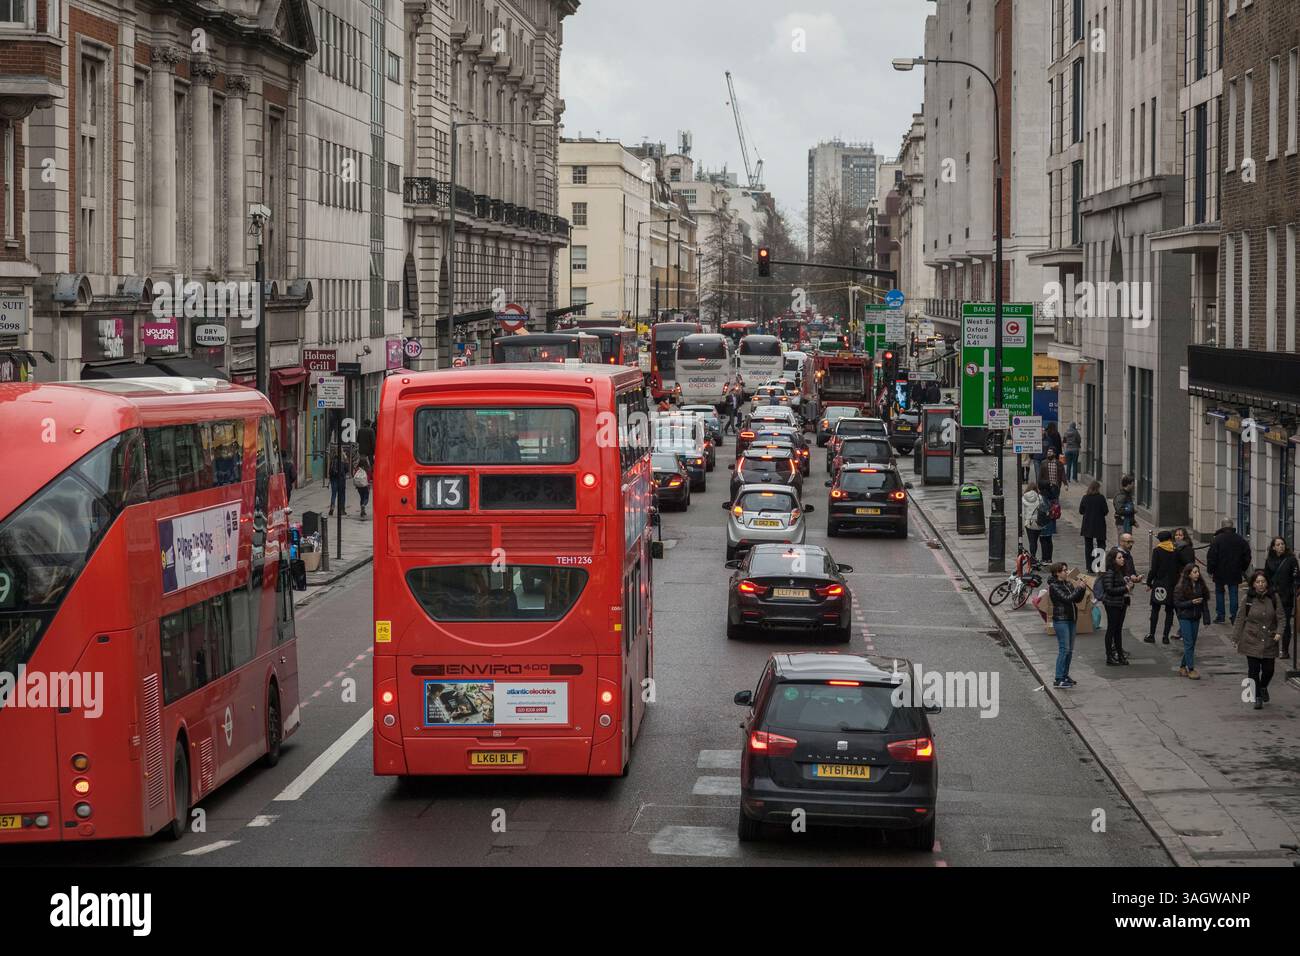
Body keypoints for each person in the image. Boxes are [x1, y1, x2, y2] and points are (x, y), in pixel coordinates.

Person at [1234, 570, 1283, 709]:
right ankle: (1257, 696)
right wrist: (1235, 637)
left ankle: (1263, 687)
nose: (1261, 584)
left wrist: (1279, 632)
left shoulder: (1274, 598)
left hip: (1269, 639)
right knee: (1253, 670)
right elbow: (1240, 618)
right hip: (1251, 639)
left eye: (1263, 582)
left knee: (1269, 670)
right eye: (1258, 582)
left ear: (1267, 583)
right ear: (1253, 584)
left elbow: (1281, 618)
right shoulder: (1248, 599)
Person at [1206, 518, 1251, 624]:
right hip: (1235, 571)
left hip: (1219, 571)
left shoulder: (1217, 540)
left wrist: (1210, 570)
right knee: (1233, 593)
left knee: (1219, 592)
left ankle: (1221, 616)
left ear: (1222, 526)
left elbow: (1211, 556)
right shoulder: (1240, 540)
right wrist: (1242, 568)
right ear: (1232, 526)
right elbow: (1247, 556)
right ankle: (1234, 615)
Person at [1048, 562, 1085, 688]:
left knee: (1069, 650)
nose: (1066, 572)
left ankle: (1065, 675)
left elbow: (1077, 599)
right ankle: (1058, 678)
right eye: (1064, 570)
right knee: (1064, 649)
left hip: (1071, 618)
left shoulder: (1068, 583)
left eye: (1066, 569)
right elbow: (1067, 598)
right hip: (1061, 619)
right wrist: (1079, 588)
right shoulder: (1054, 586)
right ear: (1057, 573)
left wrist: (1082, 589)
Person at [1173, 564, 1210, 679]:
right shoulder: (1181, 587)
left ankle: (1182, 666)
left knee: (1192, 644)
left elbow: (1204, 603)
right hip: (1184, 617)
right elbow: (1178, 603)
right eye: (1194, 572)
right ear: (1188, 574)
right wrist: (1191, 602)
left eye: (1198, 572)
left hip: (1195, 617)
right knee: (1188, 643)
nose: (1197, 574)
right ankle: (1191, 669)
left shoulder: (1200, 586)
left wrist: (1206, 618)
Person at [1099, 547, 1135, 665]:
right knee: (1111, 629)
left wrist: (1129, 585)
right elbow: (1109, 589)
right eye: (1119, 558)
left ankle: (1120, 655)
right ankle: (1109, 656)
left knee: (1118, 630)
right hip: (1112, 604)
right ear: (1113, 560)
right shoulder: (1109, 572)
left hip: (1121, 603)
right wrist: (1125, 588)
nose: (1122, 559)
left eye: (1122, 557)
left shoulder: (1120, 571)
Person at [1264, 536, 1298, 658]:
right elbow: (1266, 578)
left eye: (1282, 544)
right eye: (1278, 545)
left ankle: (1285, 650)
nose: (1281, 546)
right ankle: (1272, 647)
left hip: (1286, 596)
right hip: (1272, 596)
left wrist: (1293, 590)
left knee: (1285, 623)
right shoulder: (1269, 561)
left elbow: (1296, 578)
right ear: (1273, 547)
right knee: (1272, 622)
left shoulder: (1291, 560)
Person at [1145, 530, 1180, 644]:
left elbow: (1154, 569)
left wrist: (1149, 582)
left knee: (1155, 609)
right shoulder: (1175, 551)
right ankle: (1165, 636)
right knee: (1169, 611)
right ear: (1170, 538)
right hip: (1171, 584)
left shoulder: (1157, 551)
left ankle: (1152, 634)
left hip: (1159, 584)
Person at [1078, 479, 1109, 571]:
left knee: (1088, 546)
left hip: (1088, 524)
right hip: (1099, 524)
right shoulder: (1101, 498)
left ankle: (1090, 567)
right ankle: (1099, 565)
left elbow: (1081, 511)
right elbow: (1105, 511)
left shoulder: (1085, 497)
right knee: (1101, 544)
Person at [1022, 486, 1049, 562]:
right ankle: (1034, 557)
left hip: (1029, 522)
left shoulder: (1024, 497)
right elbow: (1045, 509)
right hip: (1038, 522)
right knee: (1036, 540)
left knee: (1031, 541)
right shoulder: (1040, 497)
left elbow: (1023, 512)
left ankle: (1032, 557)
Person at [328, 451, 349, 516]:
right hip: (341, 479)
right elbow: (347, 470)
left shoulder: (333, 460)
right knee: (342, 495)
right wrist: (346, 460)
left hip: (333, 479)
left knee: (334, 494)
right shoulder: (343, 461)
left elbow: (330, 471)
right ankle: (342, 510)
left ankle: (332, 507)